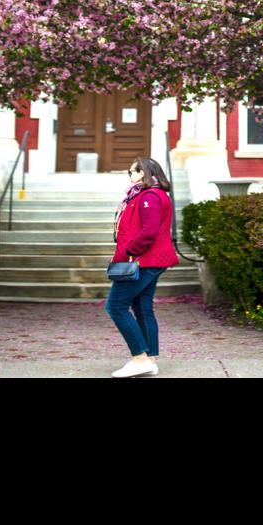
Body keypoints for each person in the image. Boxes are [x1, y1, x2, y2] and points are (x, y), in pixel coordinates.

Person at [107, 157, 180, 377]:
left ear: (144, 173)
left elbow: (149, 231)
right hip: (149, 260)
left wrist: (130, 250)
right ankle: (150, 360)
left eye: (132, 172)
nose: (129, 176)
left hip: (144, 260)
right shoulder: (148, 195)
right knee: (142, 307)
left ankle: (139, 358)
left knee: (116, 306)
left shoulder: (149, 196)